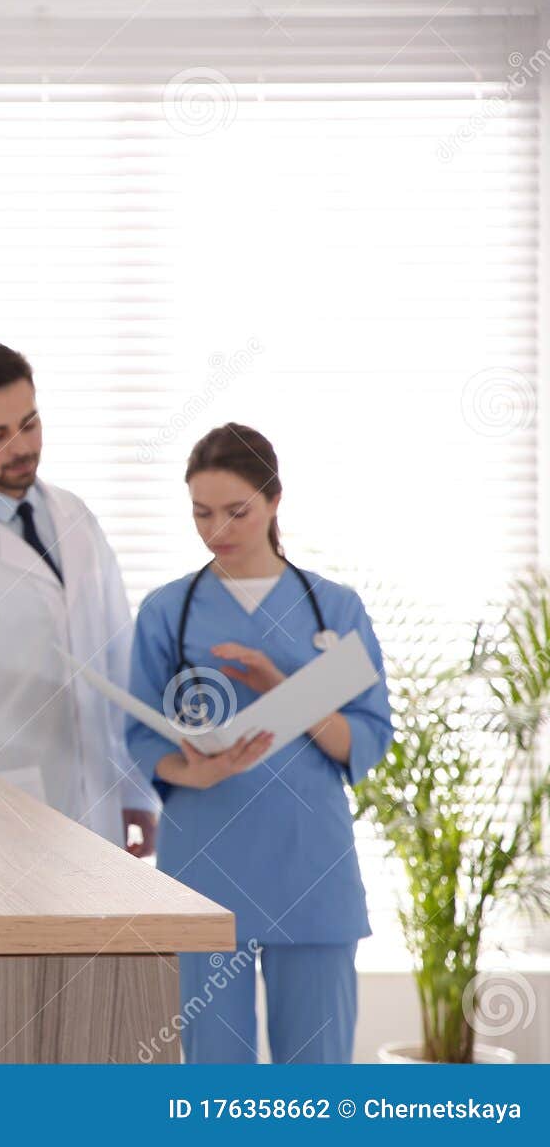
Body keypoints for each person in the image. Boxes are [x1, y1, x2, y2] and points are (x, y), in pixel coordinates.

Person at [125, 423, 392, 1063]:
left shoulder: (336, 608)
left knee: (316, 1080)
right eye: (201, 512)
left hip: (312, 864)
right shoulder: (168, 611)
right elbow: (137, 736)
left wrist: (286, 689)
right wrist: (193, 774)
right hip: (207, 861)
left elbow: (369, 737)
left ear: (274, 501)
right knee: (217, 1078)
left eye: (236, 511)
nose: (218, 529)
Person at [0, 342, 158, 853]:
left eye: (29, 424)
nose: (21, 447)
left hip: (101, 807)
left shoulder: (76, 518)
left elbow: (119, 661)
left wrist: (135, 791)